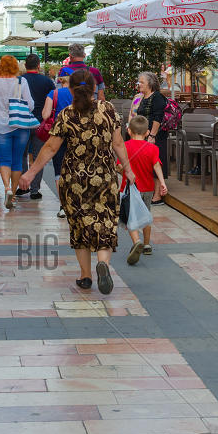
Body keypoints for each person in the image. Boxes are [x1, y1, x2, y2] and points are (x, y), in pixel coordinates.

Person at [24, 68, 136, 295]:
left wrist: (31, 172)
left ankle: (85, 277)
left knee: (79, 226)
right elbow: (118, 145)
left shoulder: (66, 114)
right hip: (104, 177)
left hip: (73, 180)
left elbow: (50, 148)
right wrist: (128, 169)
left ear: (70, 89)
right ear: (95, 88)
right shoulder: (109, 110)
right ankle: (103, 263)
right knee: (104, 222)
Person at [0, 55, 37, 210]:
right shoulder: (22, 81)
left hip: (1, 126)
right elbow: (31, 105)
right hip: (20, 127)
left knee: (4, 160)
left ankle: (7, 187)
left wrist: (0, 110)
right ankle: (13, 195)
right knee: (16, 161)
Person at [122, 114, 167, 264]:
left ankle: (136, 242)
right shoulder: (153, 148)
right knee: (145, 214)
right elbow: (156, 166)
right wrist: (162, 183)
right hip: (147, 188)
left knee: (130, 217)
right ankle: (147, 244)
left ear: (129, 131)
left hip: (129, 188)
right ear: (147, 132)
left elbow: (118, 166)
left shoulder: (125, 147)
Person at [19, 53, 56, 201]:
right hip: (41, 124)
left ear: (25, 66)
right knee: (38, 156)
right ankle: (35, 189)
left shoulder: (20, 81)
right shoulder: (47, 81)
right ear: (38, 66)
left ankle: (22, 185)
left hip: (22, 123)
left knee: (21, 156)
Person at [45, 73, 73, 217]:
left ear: (61, 81)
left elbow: (45, 115)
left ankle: (63, 205)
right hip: (76, 134)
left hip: (58, 135)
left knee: (59, 169)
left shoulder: (53, 93)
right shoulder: (79, 94)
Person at [131, 70, 170, 170]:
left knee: (155, 169)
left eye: (142, 82)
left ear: (150, 84)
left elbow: (158, 118)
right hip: (144, 135)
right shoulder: (142, 97)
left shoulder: (157, 96)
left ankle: (158, 185)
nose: (139, 84)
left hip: (155, 137)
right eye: (139, 82)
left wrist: (152, 136)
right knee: (146, 168)